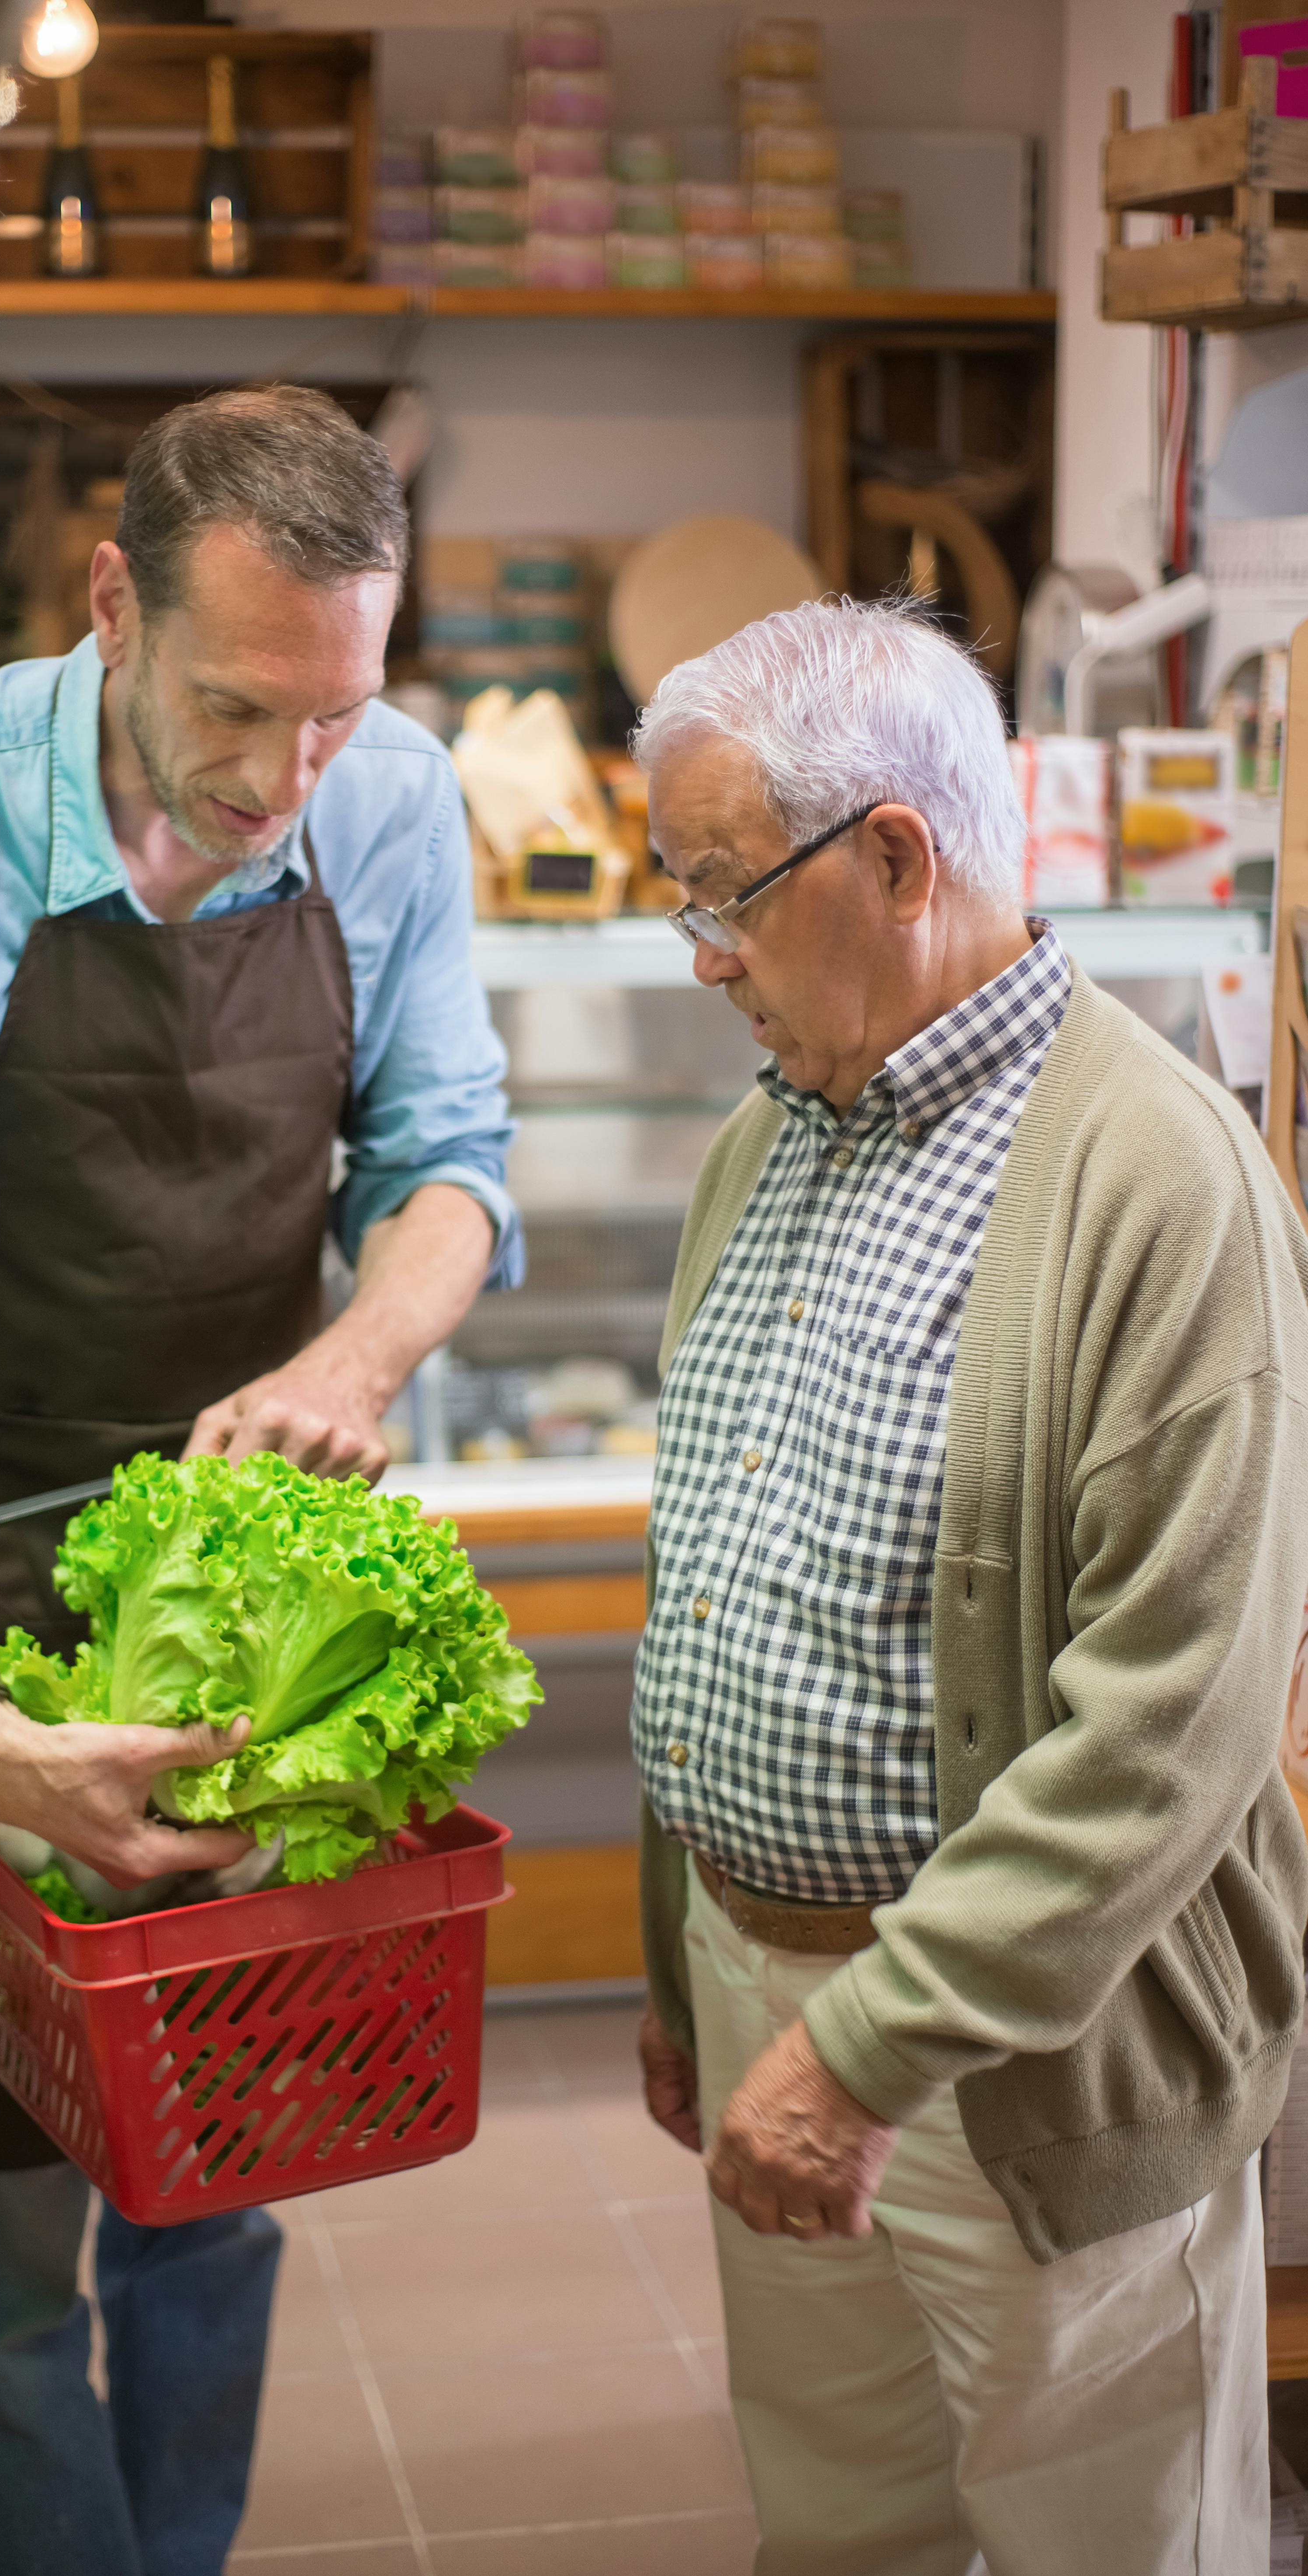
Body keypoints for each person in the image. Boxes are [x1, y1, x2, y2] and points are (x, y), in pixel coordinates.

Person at [0, 386, 520, 2576]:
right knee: (2, 2262)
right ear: (112, 602)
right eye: (236, 709)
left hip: (239, 1627)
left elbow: (451, 1165)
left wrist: (354, 1354)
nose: (286, 784)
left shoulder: (389, 806)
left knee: (215, 2194)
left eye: (339, 716)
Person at [627, 596, 1308, 2576]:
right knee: (846, 2532)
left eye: (723, 892)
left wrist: (855, 2053)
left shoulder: (1161, 1180)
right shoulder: (765, 1142)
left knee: (1104, 2535)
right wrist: (699, 1966)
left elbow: (1167, 1726)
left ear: (898, 860)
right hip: (776, 1995)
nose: (703, 952)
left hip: (1026, 2049)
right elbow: (729, 1572)